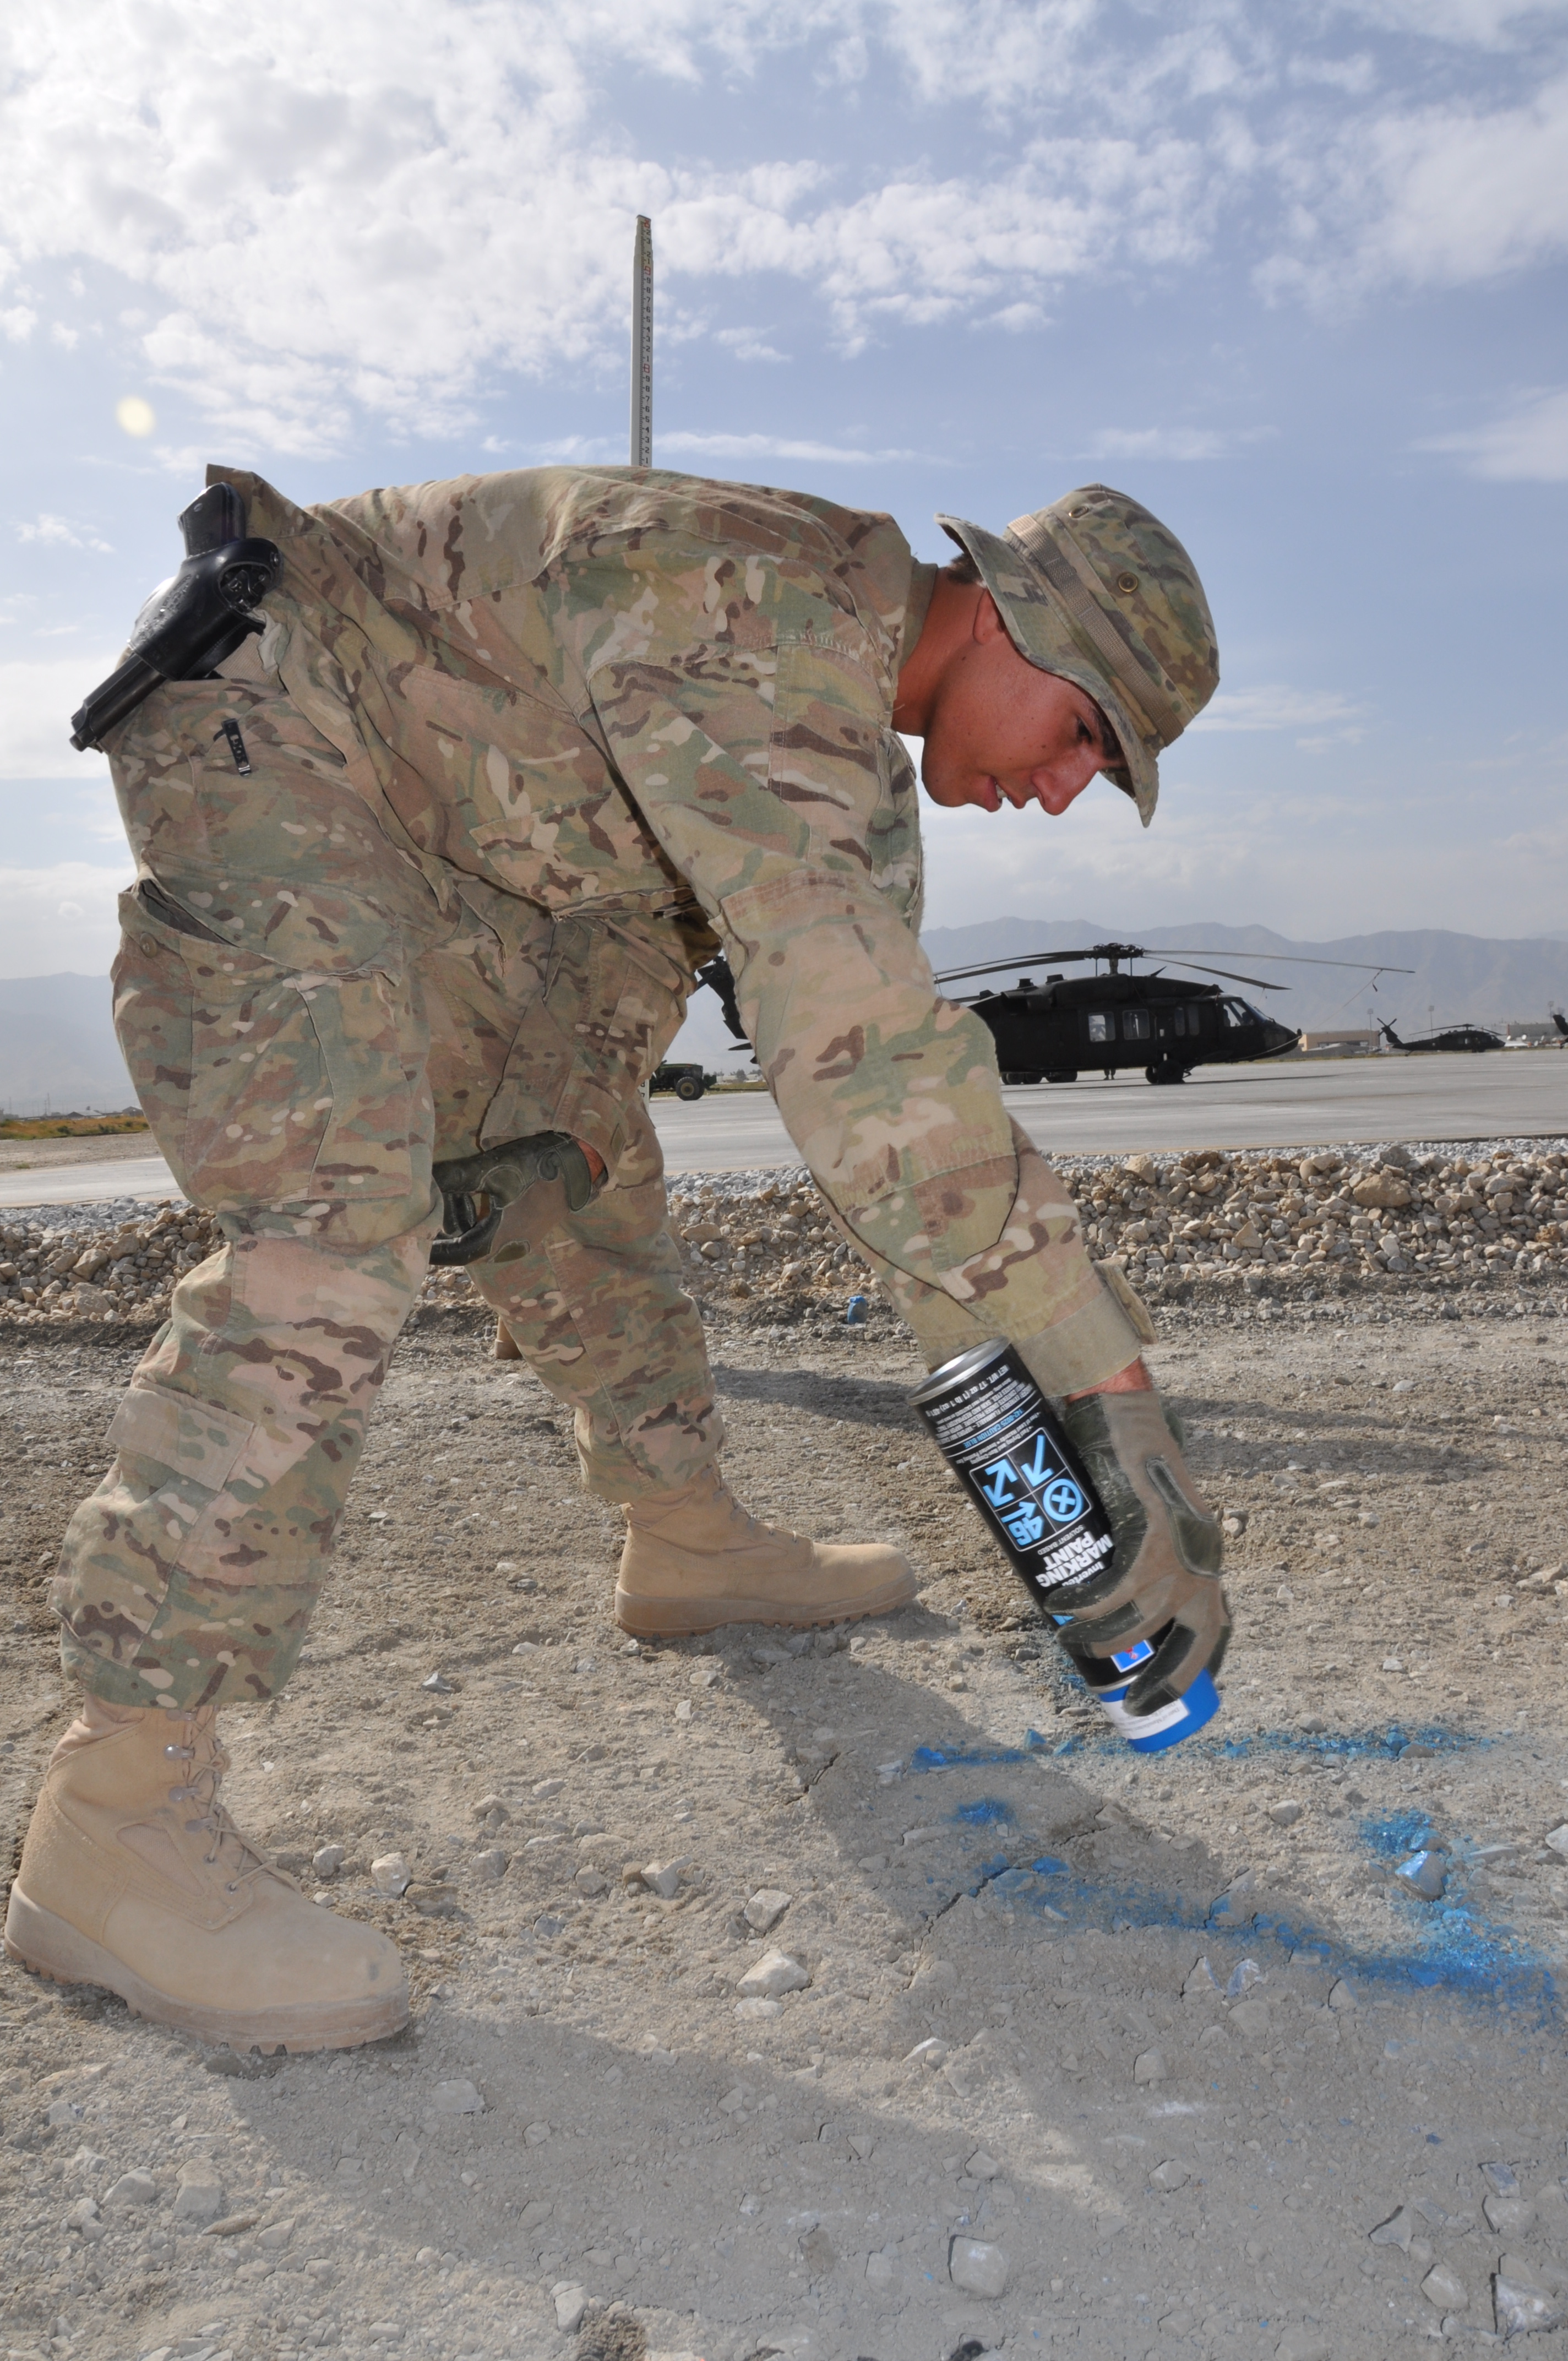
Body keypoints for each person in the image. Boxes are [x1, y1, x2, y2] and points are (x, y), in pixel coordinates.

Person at [7, 466, 1229, 2054]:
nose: (1068, 788)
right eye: (1086, 733)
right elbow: (879, 1067)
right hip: (283, 736)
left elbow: (879, 1102)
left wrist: (1048, 1391)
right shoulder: (763, 618)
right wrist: (1118, 1405)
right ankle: (112, 1814)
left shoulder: (844, 747)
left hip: (468, 837)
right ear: (1004, 615)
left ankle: (684, 1537)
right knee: (335, 1231)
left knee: (577, 1160)